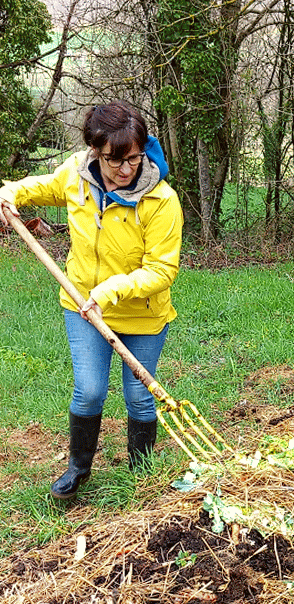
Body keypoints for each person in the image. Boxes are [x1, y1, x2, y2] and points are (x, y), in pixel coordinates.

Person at [0, 101, 183, 500]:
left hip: (142, 314)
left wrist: (109, 291)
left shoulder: (162, 200)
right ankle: (79, 468)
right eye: (114, 160)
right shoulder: (76, 176)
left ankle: (142, 473)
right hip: (82, 305)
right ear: (95, 152)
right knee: (89, 390)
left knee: (139, 395)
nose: (125, 169)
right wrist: (10, 191)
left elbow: (162, 270)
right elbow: (40, 187)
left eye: (133, 158)